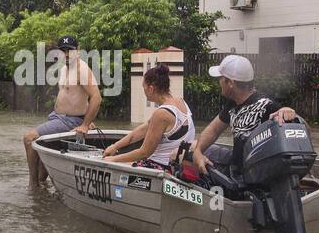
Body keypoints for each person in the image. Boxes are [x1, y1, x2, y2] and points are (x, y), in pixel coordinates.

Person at [190, 54, 298, 175]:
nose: (218, 82)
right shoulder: (233, 103)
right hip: (236, 165)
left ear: (230, 82)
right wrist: (198, 151)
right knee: (191, 147)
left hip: (253, 176)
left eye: (220, 78)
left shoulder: (267, 105)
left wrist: (291, 113)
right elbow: (214, 129)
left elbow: (300, 128)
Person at [23, 35, 102, 185]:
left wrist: (85, 124)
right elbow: (78, 98)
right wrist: (87, 119)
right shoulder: (65, 68)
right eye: (63, 51)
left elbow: (96, 98)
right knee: (41, 162)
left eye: (70, 50)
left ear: (77, 51)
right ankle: (40, 186)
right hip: (57, 118)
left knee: (29, 138)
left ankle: (32, 186)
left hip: (68, 120)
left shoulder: (82, 69)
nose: (66, 54)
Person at [101, 63, 195, 170]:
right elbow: (142, 130)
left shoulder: (161, 114)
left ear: (151, 89)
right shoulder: (180, 101)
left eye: (144, 87)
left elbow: (144, 153)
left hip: (163, 168)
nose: (143, 91)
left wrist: (114, 159)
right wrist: (115, 146)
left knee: (113, 164)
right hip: (179, 166)